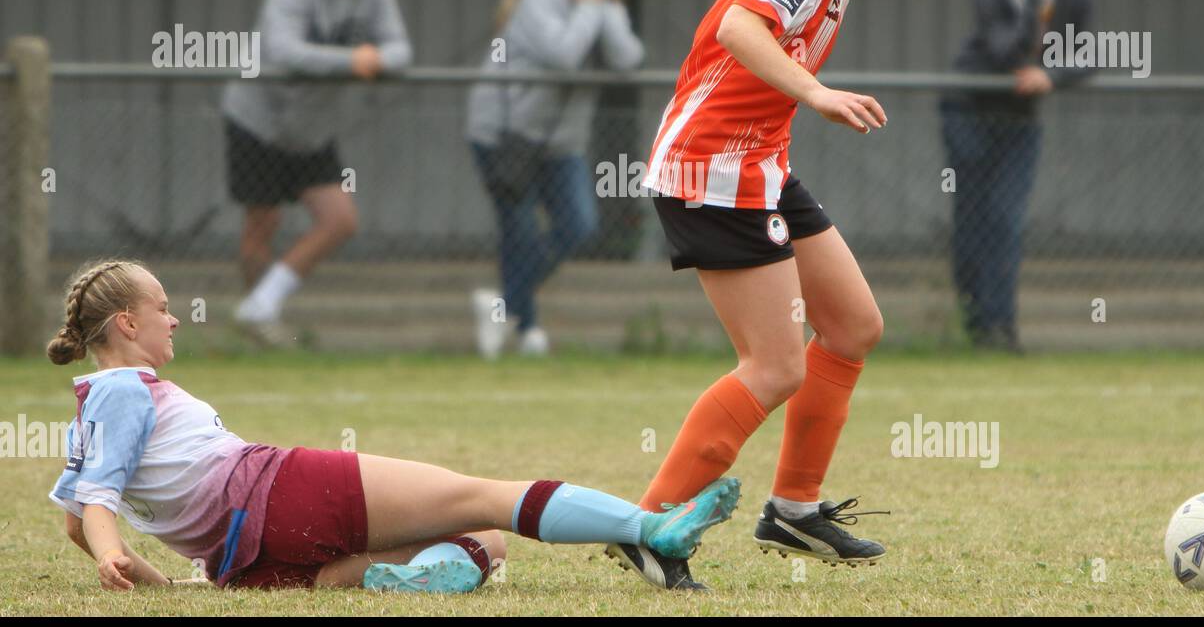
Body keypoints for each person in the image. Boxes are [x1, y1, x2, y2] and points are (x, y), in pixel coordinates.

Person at [611, 0, 950, 590]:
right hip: (713, 170)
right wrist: (818, 94)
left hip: (759, 165)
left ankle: (793, 510)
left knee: (854, 326)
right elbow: (739, 27)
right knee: (774, 365)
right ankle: (651, 528)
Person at [46, 260, 739, 592]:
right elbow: (99, 507)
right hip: (284, 491)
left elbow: (80, 520)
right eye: (162, 308)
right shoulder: (127, 391)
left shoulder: (93, 407)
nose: (173, 319)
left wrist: (144, 577)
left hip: (246, 564)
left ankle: (396, 584)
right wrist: (116, 553)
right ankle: (652, 530)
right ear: (128, 323)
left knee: (485, 541)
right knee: (486, 497)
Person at [220, 0, 412, 347]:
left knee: (340, 220)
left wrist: (377, 59)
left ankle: (260, 306)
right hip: (260, 118)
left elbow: (401, 49)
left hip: (313, 129)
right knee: (261, 224)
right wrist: (353, 61)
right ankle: (257, 329)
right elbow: (283, 50)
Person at [465, 0, 645, 359]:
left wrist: (602, 10)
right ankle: (527, 331)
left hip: (562, 143)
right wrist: (590, 8)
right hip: (505, 134)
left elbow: (629, 60)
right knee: (520, 230)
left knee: (578, 226)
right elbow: (563, 56)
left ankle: (503, 308)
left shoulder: (605, 7)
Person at [940, 0, 1099, 351]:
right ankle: (973, 325)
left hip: (1020, 118)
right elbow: (1002, 54)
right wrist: (1031, 0)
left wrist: (1052, 76)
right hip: (968, 111)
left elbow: (1085, 55)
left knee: (1006, 220)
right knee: (972, 220)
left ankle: (1002, 329)